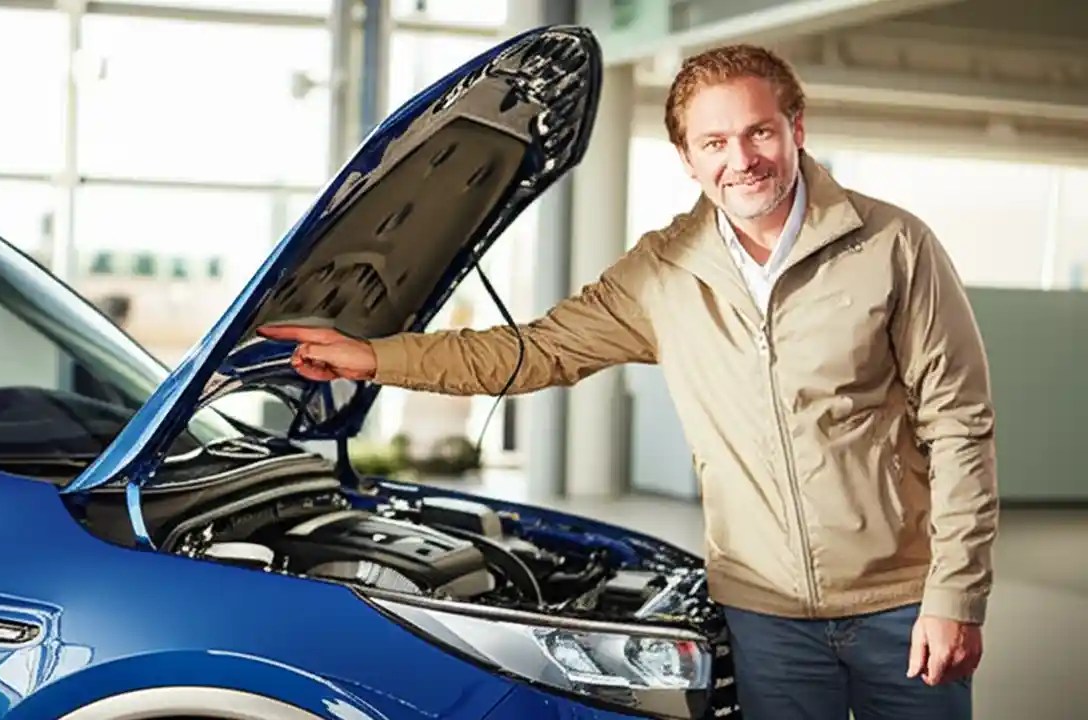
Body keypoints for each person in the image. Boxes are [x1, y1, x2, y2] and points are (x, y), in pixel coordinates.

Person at [259, 43, 997, 720]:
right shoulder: (662, 274)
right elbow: (531, 351)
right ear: (686, 157)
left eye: (759, 132)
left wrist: (955, 594)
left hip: (903, 603)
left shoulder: (893, 246)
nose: (742, 158)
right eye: (714, 142)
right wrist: (376, 356)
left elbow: (961, 426)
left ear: (795, 128)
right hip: (766, 615)